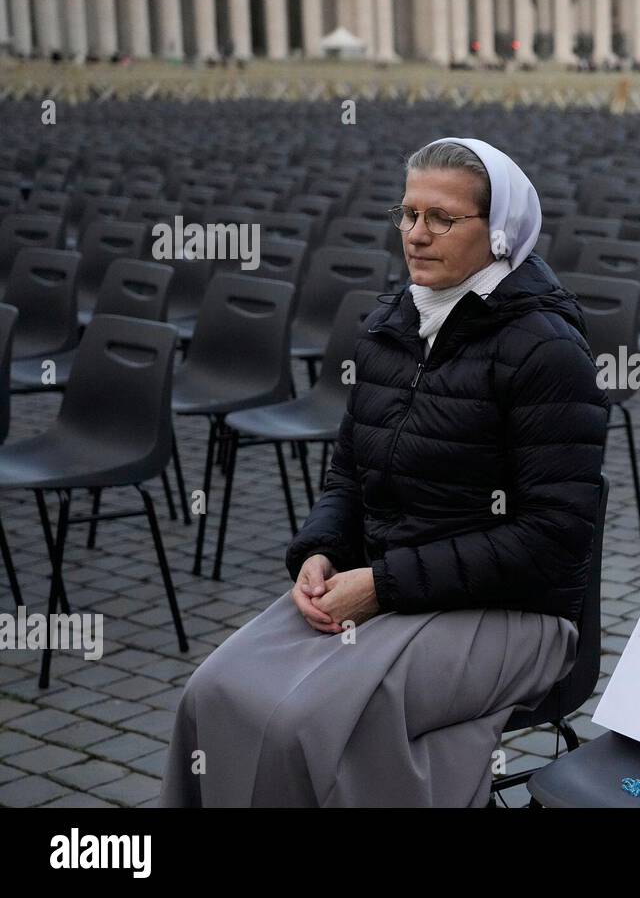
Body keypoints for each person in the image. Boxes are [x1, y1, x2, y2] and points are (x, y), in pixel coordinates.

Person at [159, 138, 609, 807]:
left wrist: (384, 585)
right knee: (212, 691)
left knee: (303, 725)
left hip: (514, 614)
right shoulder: (392, 326)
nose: (417, 235)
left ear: (501, 232)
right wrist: (320, 551)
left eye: (442, 219)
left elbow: (552, 539)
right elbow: (349, 473)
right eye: (408, 214)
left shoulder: (545, 350)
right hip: (388, 581)